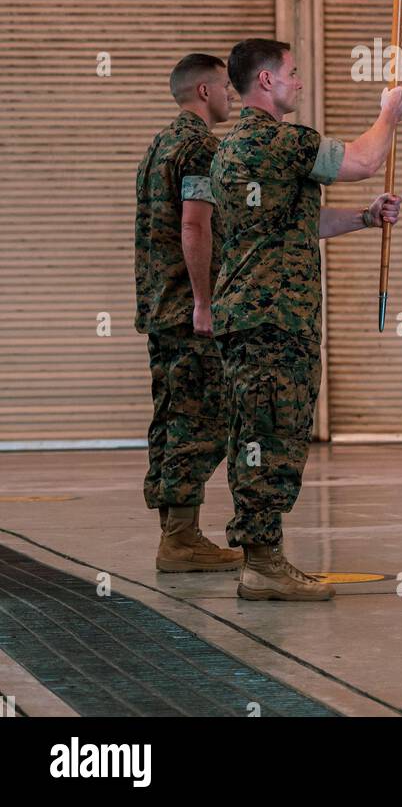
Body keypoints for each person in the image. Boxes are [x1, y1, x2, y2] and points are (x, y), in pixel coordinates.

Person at [211, 38, 402, 602]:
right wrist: (388, 115)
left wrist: (365, 219)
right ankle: (263, 564)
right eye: (292, 74)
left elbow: (301, 222)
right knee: (274, 435)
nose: (298, 82)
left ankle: (261, 555)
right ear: (267, 82)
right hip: (276, 320)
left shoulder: (229, 153)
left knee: (254, 432)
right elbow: (365, 160)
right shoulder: (284, 141)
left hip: (245, 316)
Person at [134, 53, 241, 573]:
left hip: (160, 304)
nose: (231, 96)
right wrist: (204, 302)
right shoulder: (200, 147)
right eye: (225, 86)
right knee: (201, 417)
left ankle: (176, 533)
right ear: (203, 91)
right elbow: (195, 227)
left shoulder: (160, 144)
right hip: (186, 308)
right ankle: (180, 539)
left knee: (171, 415)